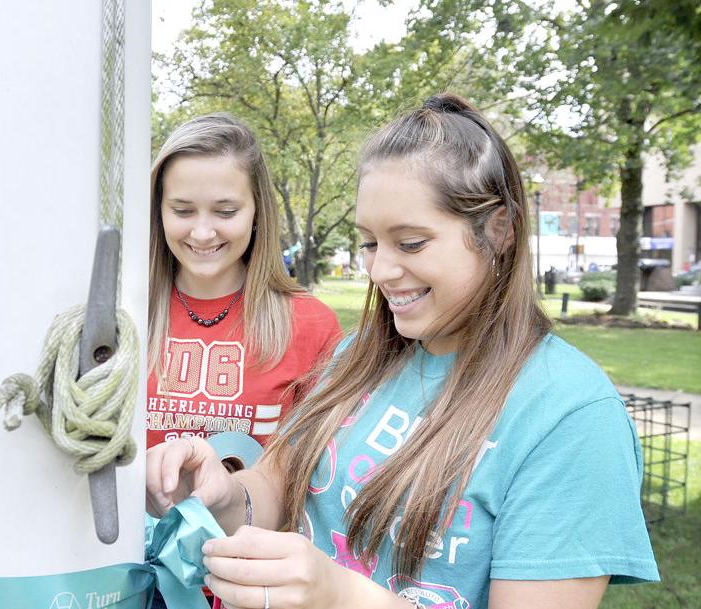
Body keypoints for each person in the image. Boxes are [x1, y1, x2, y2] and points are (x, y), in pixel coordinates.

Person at [146, 95, 658, 609]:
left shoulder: (571, 416)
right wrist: (223, 493)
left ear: (497, 229)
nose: (379, 270)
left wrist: (339, 596)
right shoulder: (356, 357)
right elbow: (275, 485)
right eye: (369, 243)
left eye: (410, 244)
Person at [147, 113, 341, 456]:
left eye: (225, 212)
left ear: (256, 213)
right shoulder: (125, 317)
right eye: (182, 211)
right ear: (158, 212)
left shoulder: (312, 325)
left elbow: (319, 471)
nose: (203, 233)